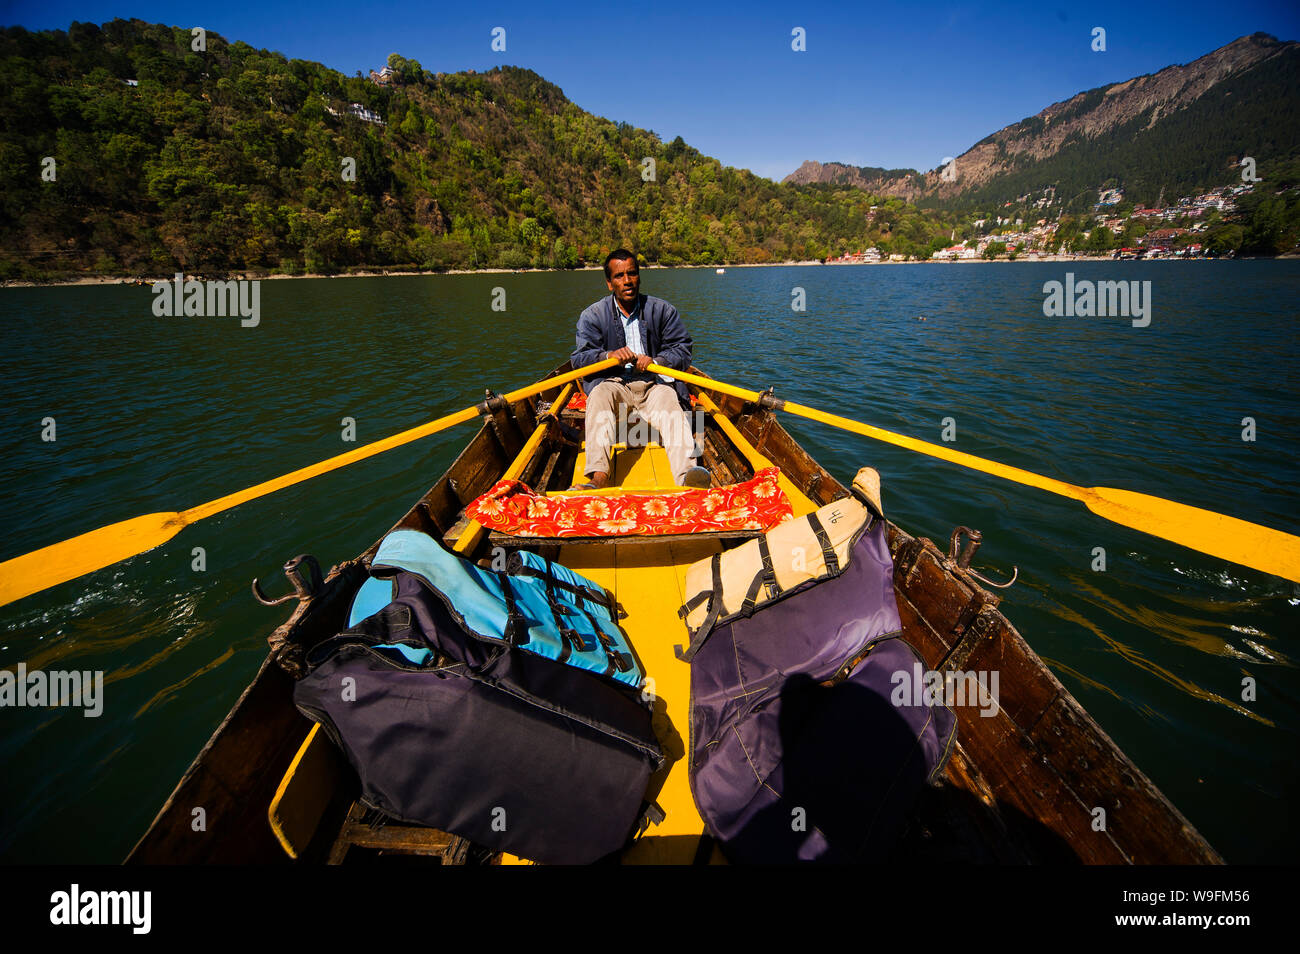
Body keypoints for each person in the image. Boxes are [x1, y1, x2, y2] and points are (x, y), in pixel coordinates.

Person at [570, 249, 710, 489]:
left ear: (639, 277)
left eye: (632, 274)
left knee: (669, 400)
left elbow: (683, 350)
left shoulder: (663, 310)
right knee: (599, 396)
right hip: (614, 384)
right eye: (619, 276)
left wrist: (658, 362)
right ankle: (599, 478)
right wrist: (608, 356)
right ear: (609, 283)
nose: (627, 281)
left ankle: (688, 479)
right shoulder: (592, 315)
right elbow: (579, 360)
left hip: (653, 384)